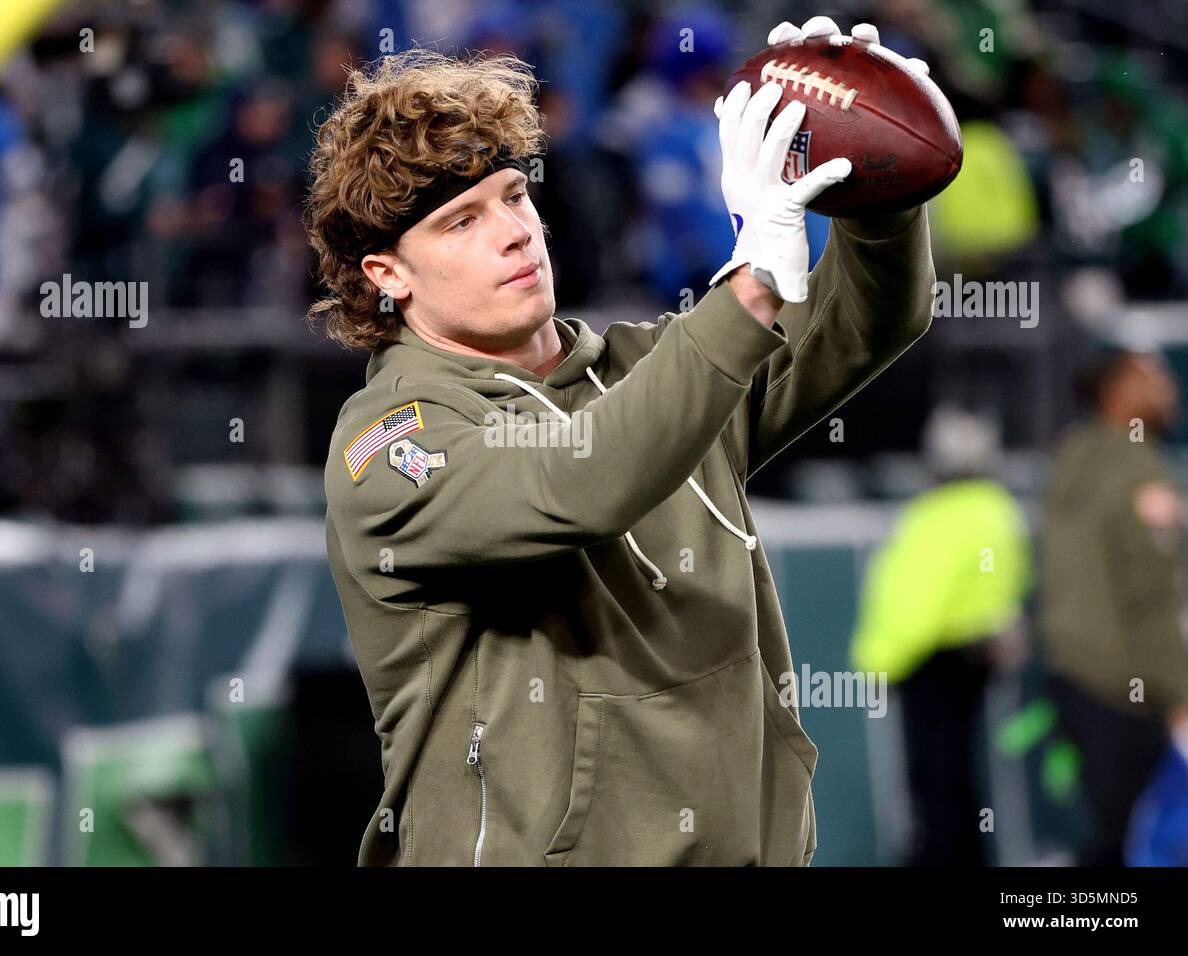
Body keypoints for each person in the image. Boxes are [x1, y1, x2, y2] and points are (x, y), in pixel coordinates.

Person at [308, 17, 938, 866]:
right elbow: (584, 481)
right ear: (388, 274)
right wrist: (749, 284)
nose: (513, 231)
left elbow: (868, 323)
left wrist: (879, 188)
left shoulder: (643, 368)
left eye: (514, 196)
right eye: (460, 223)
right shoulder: (387, 445)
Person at [851, 406, 1032, 865]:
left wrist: (882, 660)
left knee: (935, 776)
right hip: (967, 658)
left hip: (932, 661)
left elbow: (916, 601)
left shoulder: (937, 516)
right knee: (957, 774)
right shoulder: (996, 509)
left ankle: (942, 857)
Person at [1040, 348, 1188, 866]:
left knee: (1113, 831)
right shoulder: (1138, 472)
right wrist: (1179, 691)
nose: (1169, 389)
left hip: (1074, 674)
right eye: (1153, 377)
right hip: (1127, 685)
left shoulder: (1073, 456)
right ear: (1119, 389)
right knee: (1137, 839)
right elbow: (1150, 597)